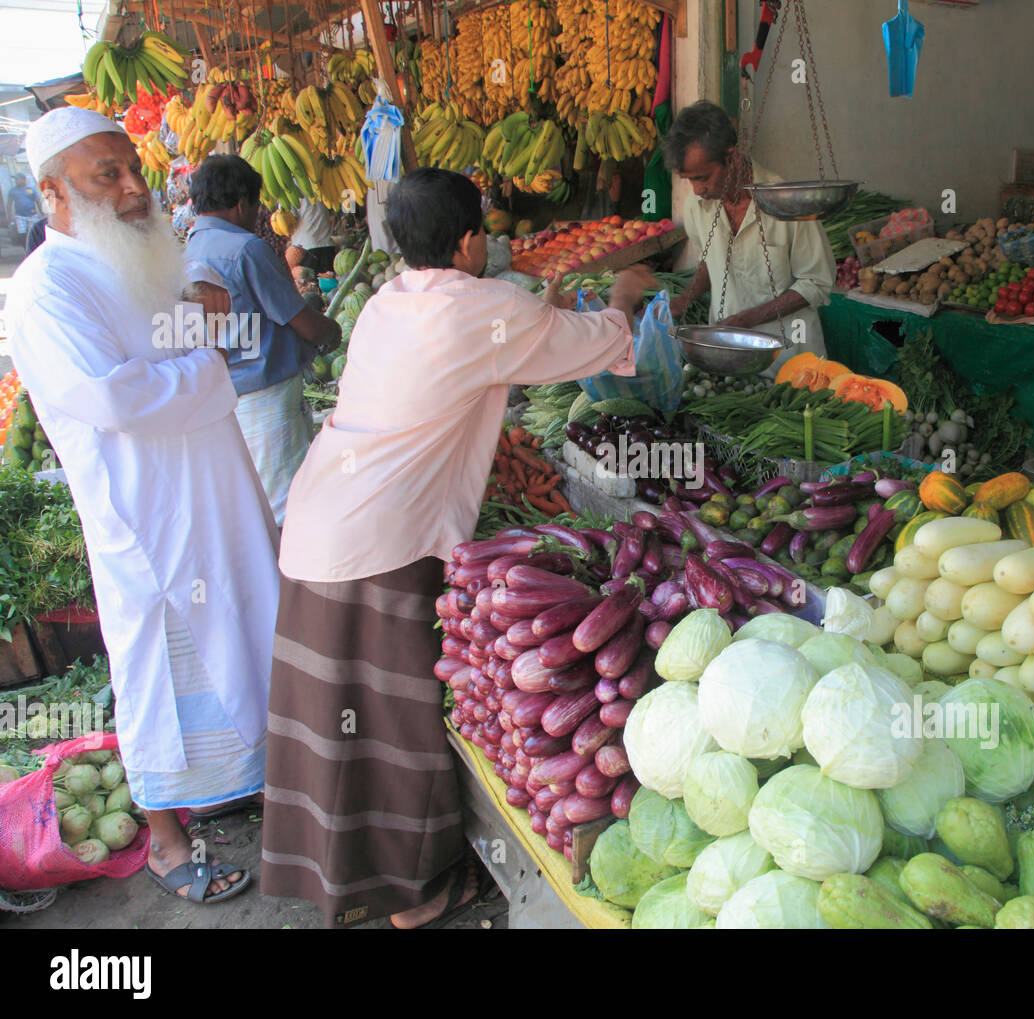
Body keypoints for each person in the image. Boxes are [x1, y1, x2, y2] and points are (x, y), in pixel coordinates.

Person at [259, 167, 654, 929]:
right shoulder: (480, 308)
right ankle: (414, 898)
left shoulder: (388, 300)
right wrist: (624, 299)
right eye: (486, 234)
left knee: (336, 713)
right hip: (382, 537)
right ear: (471, 240)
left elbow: (509, 334)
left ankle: (350, 881)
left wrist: (544, 307)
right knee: (392, 717)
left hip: (322, 521)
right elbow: (593, 345)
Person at [7, 108, 282, 905]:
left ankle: (255, 779)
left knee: (249, 632)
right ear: (55, 190)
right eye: (107, 174)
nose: (134, 187)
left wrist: (199, 322)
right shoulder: (43, 290)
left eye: (132, 167)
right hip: (149, 520)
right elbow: (116, 398)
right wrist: (206, 352)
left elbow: (183, 334)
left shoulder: (132, 252)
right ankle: (165, 840)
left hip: (218, 489)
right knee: (162, 671)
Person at [185, 155, 341, 525]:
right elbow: (301, 321)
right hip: (267, 397)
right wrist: (331, 333)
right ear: (242, 204)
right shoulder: (246, 249)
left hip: (226, 397)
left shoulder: (189, 249)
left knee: (255, 503)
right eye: (256, 206)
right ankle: (291, 582)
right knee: (287, 506)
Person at [661, 100, 835, 372]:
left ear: (731, 157)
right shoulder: (698, 207)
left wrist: (744, 321)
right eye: (690, 180)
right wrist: (687, 297)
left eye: (702, 177)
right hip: (728, 354)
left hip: (790, 357)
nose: (697, 190)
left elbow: (816, 282)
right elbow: (710, 263)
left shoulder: (788, 203)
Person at [286, 197, 336, 274]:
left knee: (308, 284)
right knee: (329, 282)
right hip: (327, 244)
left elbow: (287, 221)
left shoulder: (288, 190)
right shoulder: (319, 185)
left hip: (305, 248)